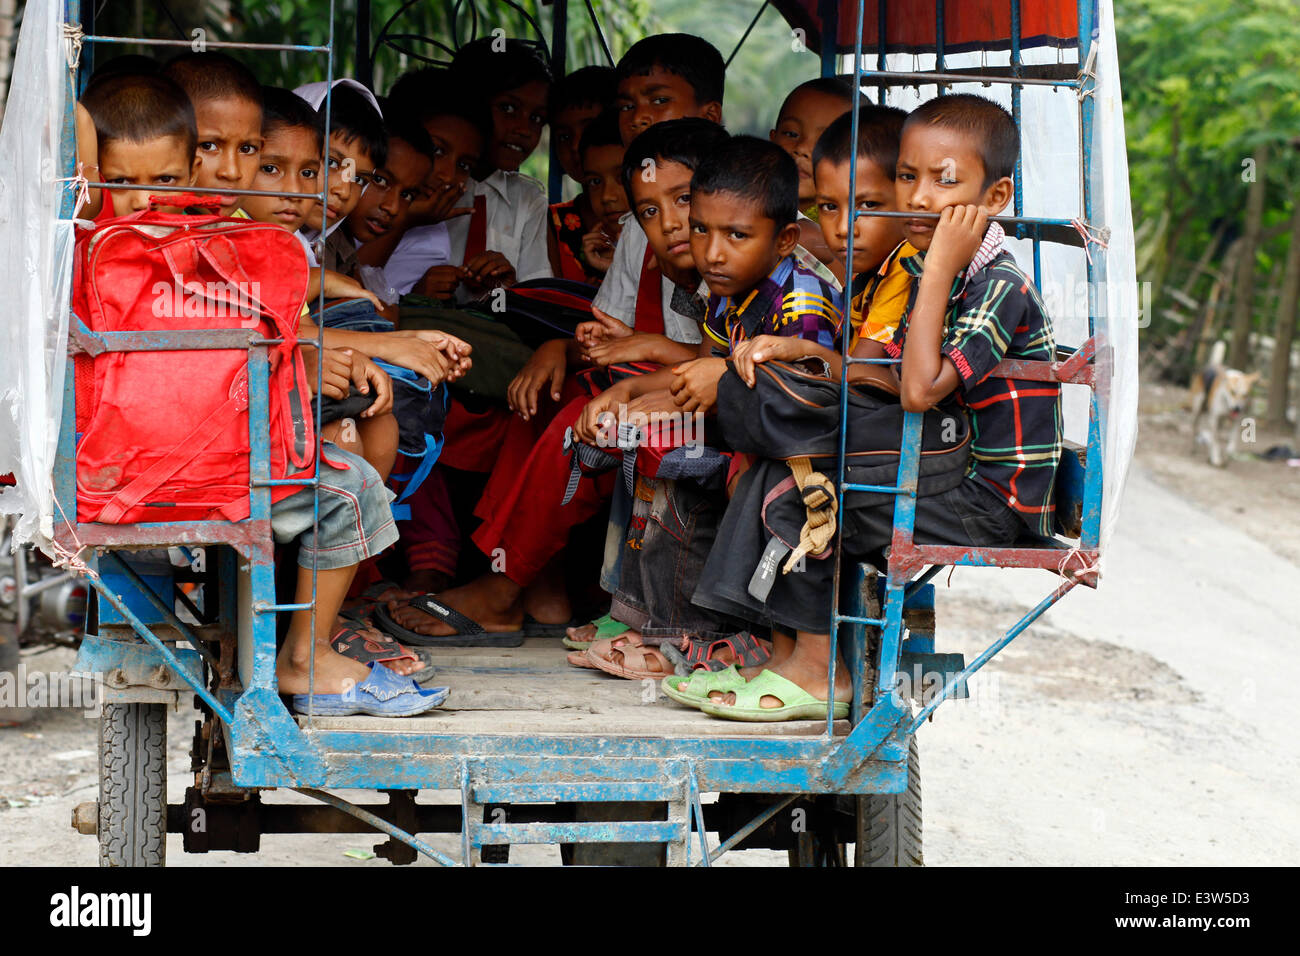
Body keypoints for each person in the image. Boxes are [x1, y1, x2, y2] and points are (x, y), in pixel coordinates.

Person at [76, 69, 444, 712]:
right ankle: (306, 655)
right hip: (211, 477)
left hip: (116, 474)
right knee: (352, 489)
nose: (144, 200)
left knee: (352, 442)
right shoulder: (142, 232)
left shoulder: (121, 236)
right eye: (127, 183)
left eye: (164, 181)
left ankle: (293, 640)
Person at [695, 93, 1062, 721]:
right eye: (907, 176)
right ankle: (784, 657)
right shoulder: (925, 266)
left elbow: (919, 389)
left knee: (808, 496)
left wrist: (941, 266)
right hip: (941, 463)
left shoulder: (999, 285)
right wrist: (795, 352)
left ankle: (817, 670)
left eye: (944, 181)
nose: (918, 198)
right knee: (785, 466)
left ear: (995, 198)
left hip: (983, 501)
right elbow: (881, 375)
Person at [377, 119, 728, 644]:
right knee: (546, 396)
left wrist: (641, 354)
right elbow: (614, 340)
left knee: (585, 420)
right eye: (651, 211)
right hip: (667, 385)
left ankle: (500, 590)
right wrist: (561, 347)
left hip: (719, 406)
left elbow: (721, 364)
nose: (672, 224)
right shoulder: (648, 243)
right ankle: (540, 586)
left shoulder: (741, 247)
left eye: (683, 201)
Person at [575, 136, 841, 680]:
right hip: (744, 429)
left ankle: (684, 635)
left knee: (682, 470)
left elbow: (797, 407)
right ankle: (641, 615)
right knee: (638, 445)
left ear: (786, 238)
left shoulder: (801, 302)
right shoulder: (726, 288)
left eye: (736, 235)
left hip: (786, 451)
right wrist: (626, 398)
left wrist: (680, 408)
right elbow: (702, 368)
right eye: (702, 229)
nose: (712, 252)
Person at [768, 77, 854, 280]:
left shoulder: (844, 226)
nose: (802, 149)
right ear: (771, 140)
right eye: (791, 133)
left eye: (824, 142)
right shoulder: (751, 202)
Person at [548, 110, 630, 282]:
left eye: (622, 177)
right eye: (594, 182)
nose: (607, 196)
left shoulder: (672, 238)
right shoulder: (555, 222)